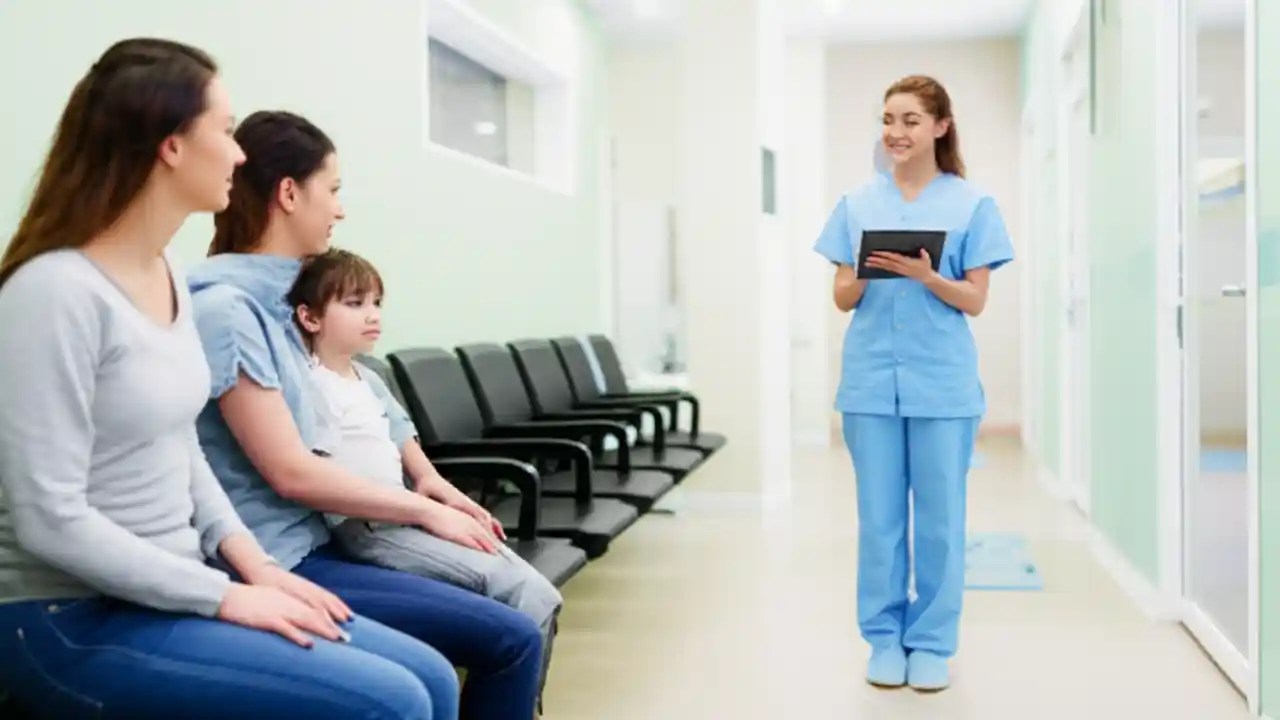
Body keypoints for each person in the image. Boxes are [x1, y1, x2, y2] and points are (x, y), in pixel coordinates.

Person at [0, 38, 459, 719]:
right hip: (66, 616)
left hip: (170, 587)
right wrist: (225, 596)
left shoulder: (165, 280)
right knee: (390, 704)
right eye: (224, 129)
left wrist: (260, 568)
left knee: (432, 679)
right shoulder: (53, 292)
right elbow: (49, 520)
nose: (240, 153)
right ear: (171, 146)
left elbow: (181, 449)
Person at [187, 110, 543, 719]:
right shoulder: (231, 310)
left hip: (321, 536)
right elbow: (291, 473)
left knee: (514, 618)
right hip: (284, 555)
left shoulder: (287, 307)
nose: (341, 210)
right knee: (511, 638)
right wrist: (425, 508)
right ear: (290, 193)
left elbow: (367, 399)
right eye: (335, 190)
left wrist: (429, 485)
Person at [813, 75, 1014, 692]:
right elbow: (842, 295)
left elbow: (975, 301)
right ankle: (883, 639)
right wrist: (874, 271)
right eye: (888, 120)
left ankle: (930, 642)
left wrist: (927, 276)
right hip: (871, 384)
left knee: (939, 522)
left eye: (909, 120)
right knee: (879, 522)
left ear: (939, 127)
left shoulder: (972, 205)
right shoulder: (856, 204)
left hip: (943, 387)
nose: (895, 132)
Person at [288, 247, 564, 690]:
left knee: (541, 595)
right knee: (525, 597)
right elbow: (314, 477)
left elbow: (422, 471)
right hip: (370, 526)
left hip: (404, 515)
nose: (372, 315)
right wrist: (426, 512)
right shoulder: (307, 383)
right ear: (311, 317)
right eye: (354, 303)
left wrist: (454, 504)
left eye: (376, 303)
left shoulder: (368, 378)